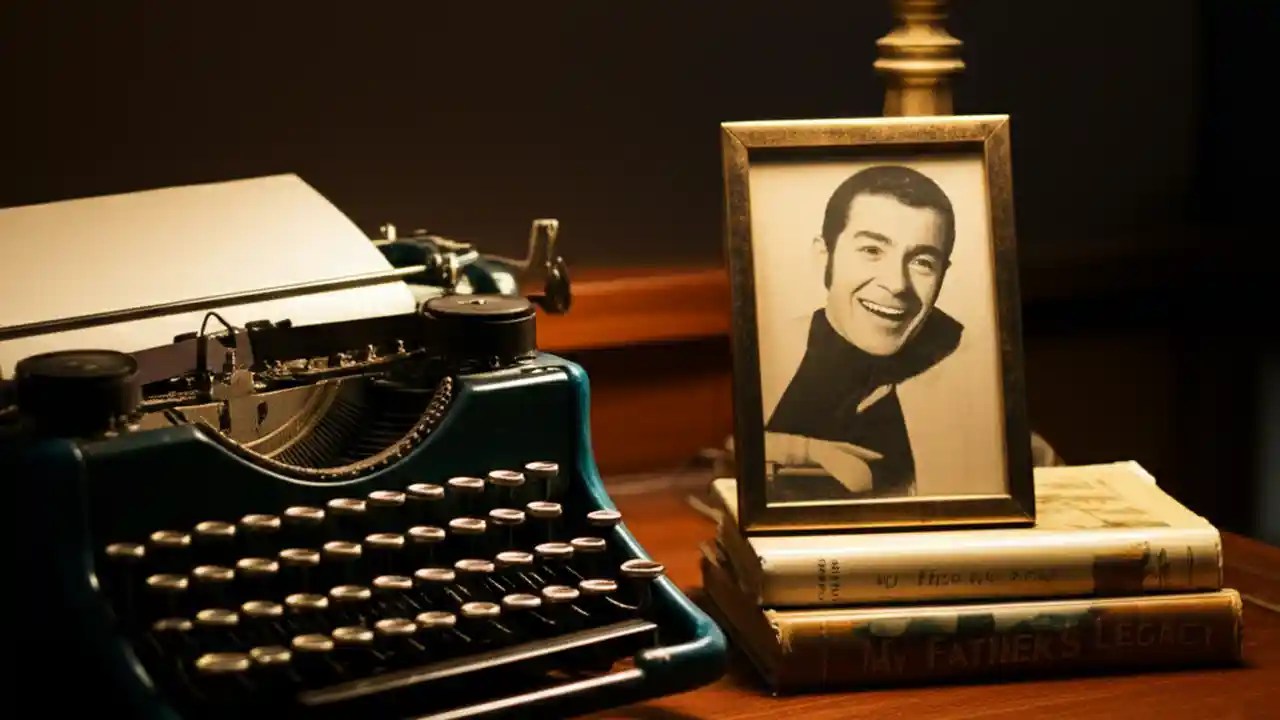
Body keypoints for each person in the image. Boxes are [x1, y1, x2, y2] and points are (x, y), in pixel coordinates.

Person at [764, 165, 963, 502]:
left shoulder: (972, 370)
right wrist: (799, 450)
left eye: (923, 262)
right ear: (824, 256)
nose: (897, 284)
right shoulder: (771, 353)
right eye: (872, 251)